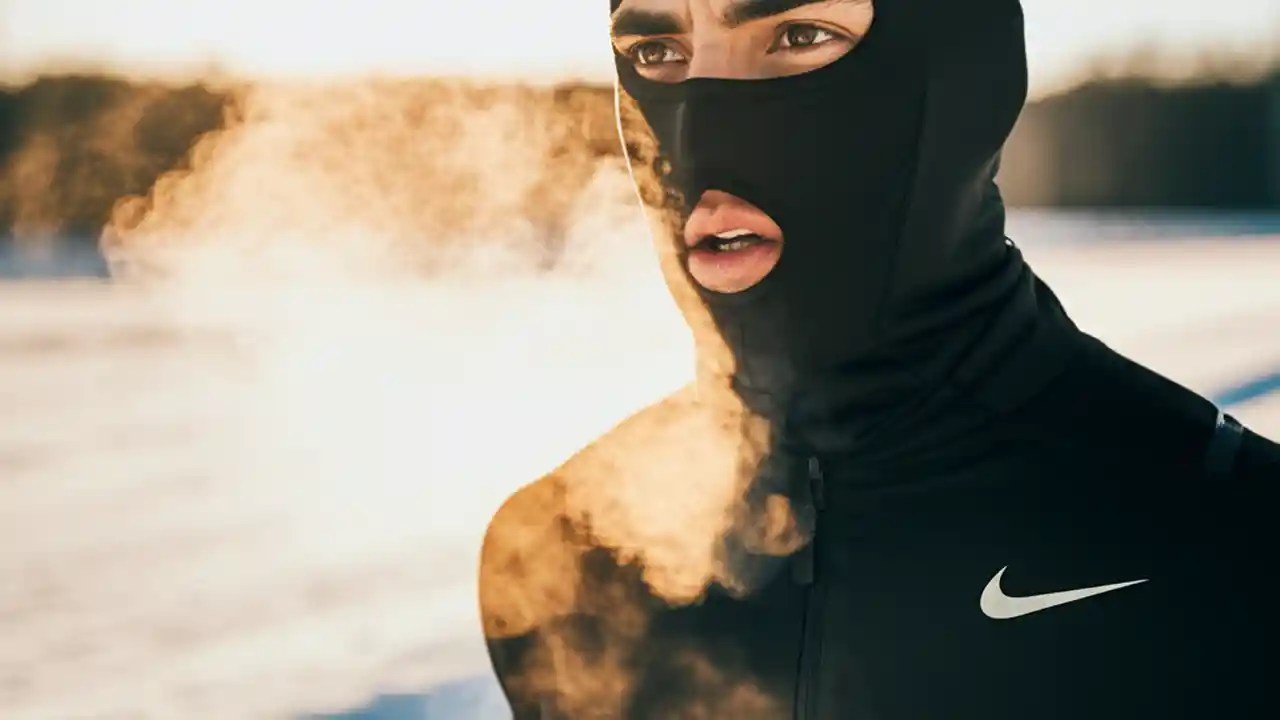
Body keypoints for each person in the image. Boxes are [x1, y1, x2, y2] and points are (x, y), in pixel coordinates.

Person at [478, 0, 1280, 717]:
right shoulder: (560, 556)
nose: (698, 132)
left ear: (962, 78)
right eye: (657, 52)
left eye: (799, 36)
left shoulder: (1240, 544)